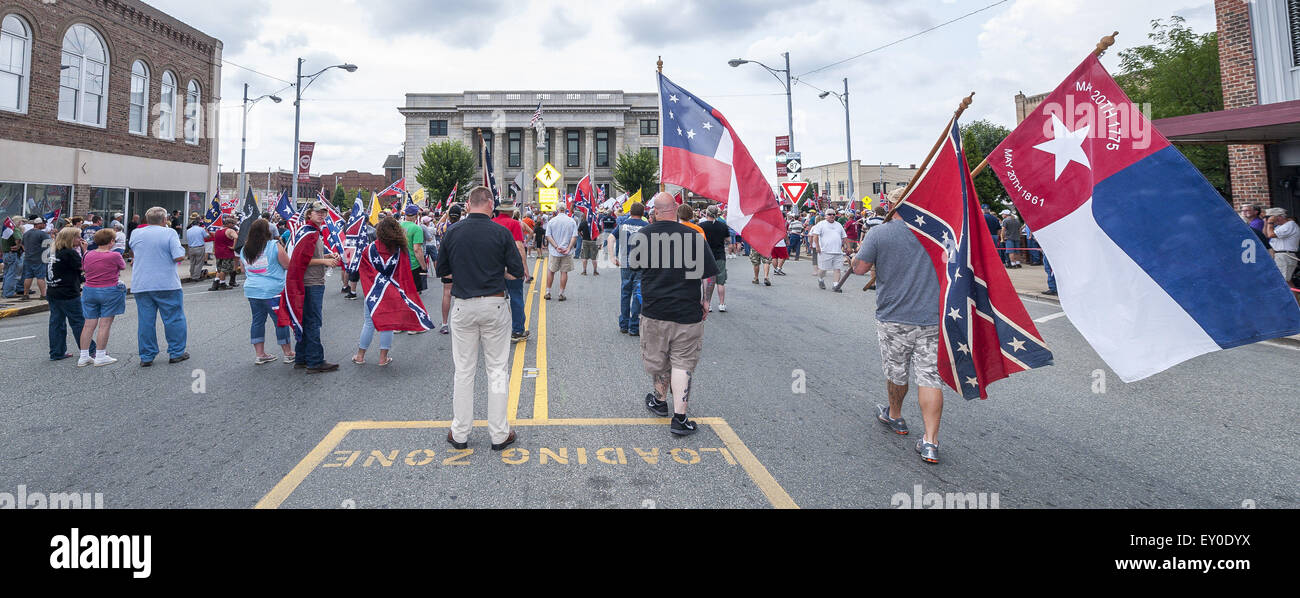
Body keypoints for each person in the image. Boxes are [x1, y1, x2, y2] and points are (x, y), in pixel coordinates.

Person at [436, 186, 526, 451]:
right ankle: (499, 433)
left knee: (463, 371)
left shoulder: (452, 231)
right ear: (489, 203)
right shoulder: (500, 231)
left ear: (468, 203)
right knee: (497, 369)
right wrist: (499, 274)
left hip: (464, 304)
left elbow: (443, 271)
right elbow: (517, 270)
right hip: (494, 302)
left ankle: (460, 431)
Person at [852, 209, 944, 464]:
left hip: (894, 316)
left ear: (892, 208)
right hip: (932, 317)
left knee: (896, 371)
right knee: (930, 377)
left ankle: (895, 415)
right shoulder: (938, 232)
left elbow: (859, 269)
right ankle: (930, 441)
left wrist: (857, 256)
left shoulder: (879, 232)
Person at [630, 192, 719, 436]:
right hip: (687, 310)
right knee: (682, 363)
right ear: (676, 208)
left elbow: (634, 267)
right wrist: (706, 301)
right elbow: (709, 275)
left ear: (655, 212)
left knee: (659, 361)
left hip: (654, 310)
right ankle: (680, 418)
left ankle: (660, 402)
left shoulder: (643, 236)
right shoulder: (694, 236)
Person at [354, 217, 436, 365]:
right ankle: (382, 358)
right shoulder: (400, 250)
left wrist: (370, 286)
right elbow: (404, 273)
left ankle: (360, 356)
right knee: (388, 323)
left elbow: (364, 270)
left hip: (373, 292)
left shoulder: (369, 248)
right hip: (391, 292)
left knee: (368, 323)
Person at [281, 201, 342, 373]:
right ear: (310, 214)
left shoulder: (312, 232)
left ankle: (301, 358)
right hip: (311, 282)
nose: (321, 215)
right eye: (318, 212)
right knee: (313, 321)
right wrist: (325, 261)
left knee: (306, 319)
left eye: (323, 212)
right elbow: (300, 260)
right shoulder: (309, 233)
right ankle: (315, 361)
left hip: (309, 281)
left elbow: (308, 254)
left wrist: (328, 254)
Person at [130, 207, 188, 366]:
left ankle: (147, 355)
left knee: (146, 321)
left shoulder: (136, 233)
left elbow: (134, 251)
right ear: (164, 220)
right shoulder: (169, 233)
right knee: (173, 318)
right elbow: (179, 256)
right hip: (166, 282)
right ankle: (176, 352)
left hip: (141, 282)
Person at [240, 218, 295, 365]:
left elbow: (243, 269)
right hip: (273, 290)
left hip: (252, 289)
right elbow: (288, 265)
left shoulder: (245, 249)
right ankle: (288, 352)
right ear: (268, 232)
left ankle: (260, 354)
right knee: (280, 321)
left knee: (257, 321)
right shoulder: (273, 246)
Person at [78, 228, 126, 366]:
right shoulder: (115, 255)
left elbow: (84, 268)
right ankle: (100, 355)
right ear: (111, 241)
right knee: (104, 324)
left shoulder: (88, 255)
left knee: (88, 325)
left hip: (89, 290)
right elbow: (122, 267)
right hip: (109, 290)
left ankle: (84, 356)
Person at [47, 227, 94, 362]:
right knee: (78, 322)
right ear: (70, 238)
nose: (80, 239)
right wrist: (85, 251)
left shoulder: (54, 252)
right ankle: (89, 350)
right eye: (78, 237)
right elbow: (84, 266)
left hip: (53, 290)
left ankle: (57, 352)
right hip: (67, 292)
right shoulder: (69, 253)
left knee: (56, 322)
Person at [608, 201, 650, 334]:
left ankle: (624, 324)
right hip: (641, 264)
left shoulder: (623, 224)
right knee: (638, 293)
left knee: (625, 293)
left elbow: (610, 238)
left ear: (630, 212)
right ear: (643, 213)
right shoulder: (646, 226)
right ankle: (634, 326)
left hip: (625, 262)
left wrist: (612, 257)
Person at [492, 199, 530, 342]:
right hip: (511, 266)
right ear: (510, 211)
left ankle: (496, 330)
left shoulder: (492, 222)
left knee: (496, 298)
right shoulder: (514, 224)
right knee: (516, 298)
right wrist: (525, 267)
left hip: (494, 266)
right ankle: (517, 331)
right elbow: (519, 246)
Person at [698, 205, 730, 313]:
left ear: (706, 213)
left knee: (707, 281)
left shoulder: (701, 226)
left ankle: (708, 303)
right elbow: (728, 240)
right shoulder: (722, 225)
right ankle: (721, 304)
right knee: (720, 282)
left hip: (706, 256)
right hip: (720, 255)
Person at [437, 204, 463, 334]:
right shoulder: (463, 227)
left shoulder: (443, 227)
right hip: (460, 262)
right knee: (461, 294)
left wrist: (447, 213)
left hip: (446, 261)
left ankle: (444, 323)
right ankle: (461, 323)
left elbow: (439, 224)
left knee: (447, 293)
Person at [544, 206, 578, 301]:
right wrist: (568, 248)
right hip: (566, 251)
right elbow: (574, 236)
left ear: (558, 210)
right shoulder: (571, 221)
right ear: (566, 209)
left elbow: (548, 235)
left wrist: (556, 246)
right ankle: (561, 293)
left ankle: (548, 292)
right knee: (564, 272)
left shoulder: (552, 221)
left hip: (555, 251)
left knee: (551, 271)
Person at [809, 209, 847, 291]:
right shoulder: (821, 224)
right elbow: (815, 236)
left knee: (837, 269)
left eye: (833, 214)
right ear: (826, 216)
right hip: (825, 251)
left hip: (837, 251)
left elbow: (844, 236)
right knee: (823, 270)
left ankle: (836, 285)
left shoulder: (838, 225)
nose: (832, 216)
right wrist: (817, 247)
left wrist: (848, 247)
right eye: (829, 214)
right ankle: (820, 279)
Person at [1264, 207, 1299, 283]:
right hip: (1280, 256)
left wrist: (1270, 223)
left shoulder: (1290, 225)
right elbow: (1266, 235)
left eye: (1270, 216)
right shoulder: (1280, 226)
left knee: (1283, 282)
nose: (1269, 218)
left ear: (1279, 216)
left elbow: (1271, 234)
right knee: (1287, 282)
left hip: (1284, 255)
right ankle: (1293, 295)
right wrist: (1266, 223)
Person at [20, 217, 50, 300]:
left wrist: (26, 250)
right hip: (40, 258)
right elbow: (49, 244)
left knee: (28, 277)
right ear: (39, 224)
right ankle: (43, 295)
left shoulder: (26, 233)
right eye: (44, 223)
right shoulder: (42, 234)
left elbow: (22, 244)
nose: (45, 225)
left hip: (28, 258)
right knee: (40, 277)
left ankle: (25, 294)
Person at [400, 204, 427, 295]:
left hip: (399, 263)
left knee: (402, 293)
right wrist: (423, 266)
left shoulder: (398, 226)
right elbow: (417, 249)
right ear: (416, 215)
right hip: (412, 264)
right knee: (413, 295)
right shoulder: (417, 228)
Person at [211, 215, 240, 290]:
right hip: (226, 251)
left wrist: (214, 250)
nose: (234, 225)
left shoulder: (217, 231)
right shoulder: (230, 230)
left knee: (219, 268)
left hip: (218, 251)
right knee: (225, 269)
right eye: (233, 224)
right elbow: (236, 237)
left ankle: (215, 282)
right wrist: (233, 246)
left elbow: (215, 241)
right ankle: (222, 283)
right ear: (229, 224)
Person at [2, 217, 23, 298]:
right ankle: (9, 293)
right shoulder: (14, 229)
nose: (22, 223)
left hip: (6, 254)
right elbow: (18, 237)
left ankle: (5, 291)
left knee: (7, 274)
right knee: (12, 274)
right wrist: (18, 245)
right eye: (21, 221)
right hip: (12, 254)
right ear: (18, 221)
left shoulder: (6, 229)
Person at [185, 217, 209, 283]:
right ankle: (196, 277)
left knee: (192, 262)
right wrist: (207, 232)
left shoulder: (188, 230)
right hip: (199, 247)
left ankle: (192, 275)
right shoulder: (201, 229)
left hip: (191, 248)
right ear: (198, 224)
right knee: (199, 263)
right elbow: (207, 236)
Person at [578, 210, 601, 276]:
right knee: (594, 258)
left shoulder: (583, 222)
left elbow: (579, 231)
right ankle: (595, 271)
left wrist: (582, 236)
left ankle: (584, 271)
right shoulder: (595, 223)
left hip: (585, 241)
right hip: (594, 241)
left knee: (585, 257)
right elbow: (599, 232)